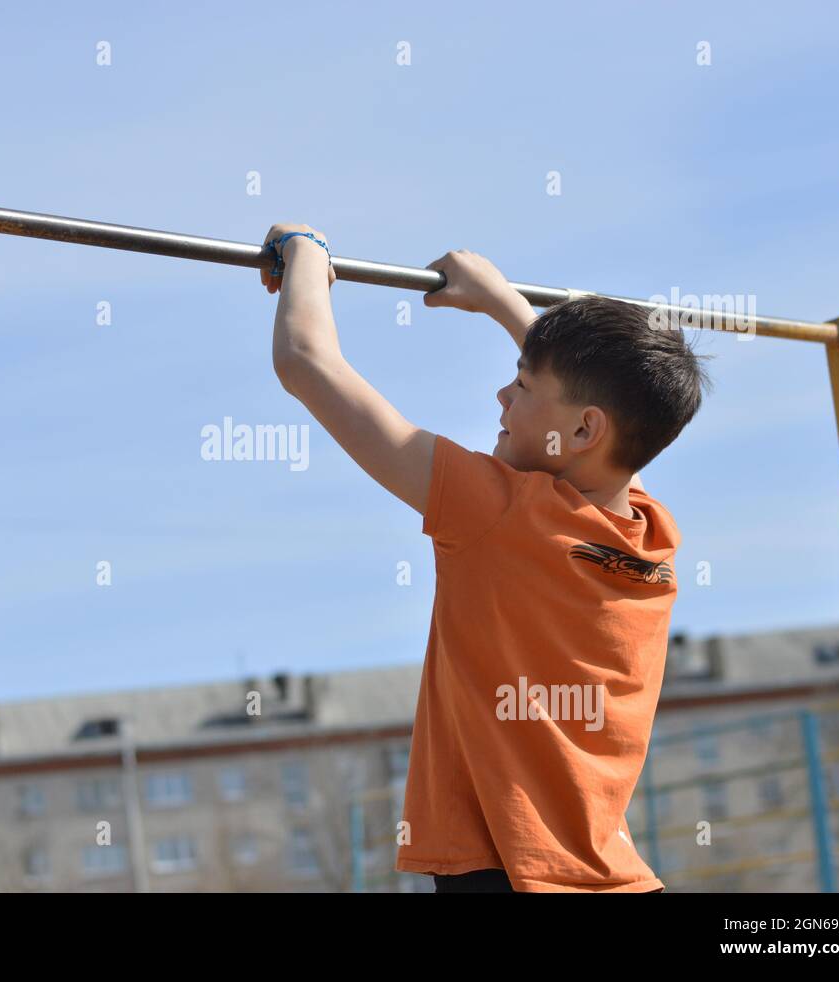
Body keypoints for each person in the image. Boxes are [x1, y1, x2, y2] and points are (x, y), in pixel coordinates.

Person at [260, 227, 711, 892]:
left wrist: (306, 253)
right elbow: (606, 419)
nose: (502, 398)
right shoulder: (650, 535)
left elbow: (306, 362)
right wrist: (506, 305)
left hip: (508, 874)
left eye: (522, 388)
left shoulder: (498, 510)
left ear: (583, 428)